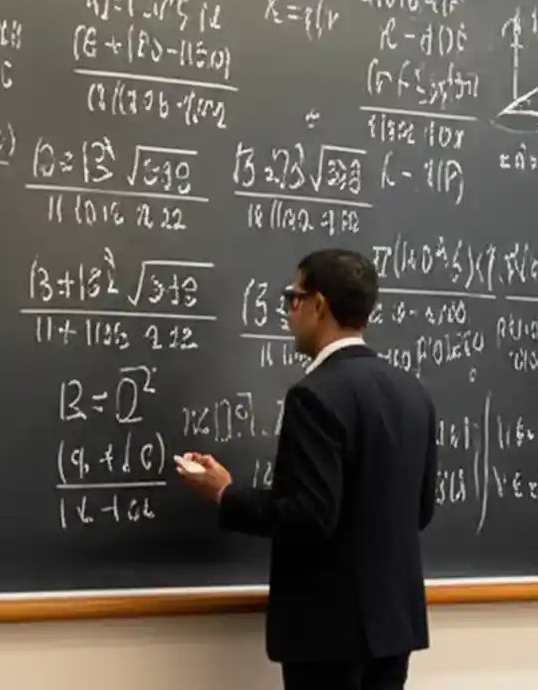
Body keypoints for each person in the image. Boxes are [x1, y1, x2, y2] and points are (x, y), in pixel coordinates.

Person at [178, 248, 439, 690]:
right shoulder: (413, 392)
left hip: (328, 633)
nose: (288, 312)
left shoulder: (315, 395)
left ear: (319, 305)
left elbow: (309, 516)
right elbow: (422, 510)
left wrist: (226, 493)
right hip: (394, 626)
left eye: (292, 298)